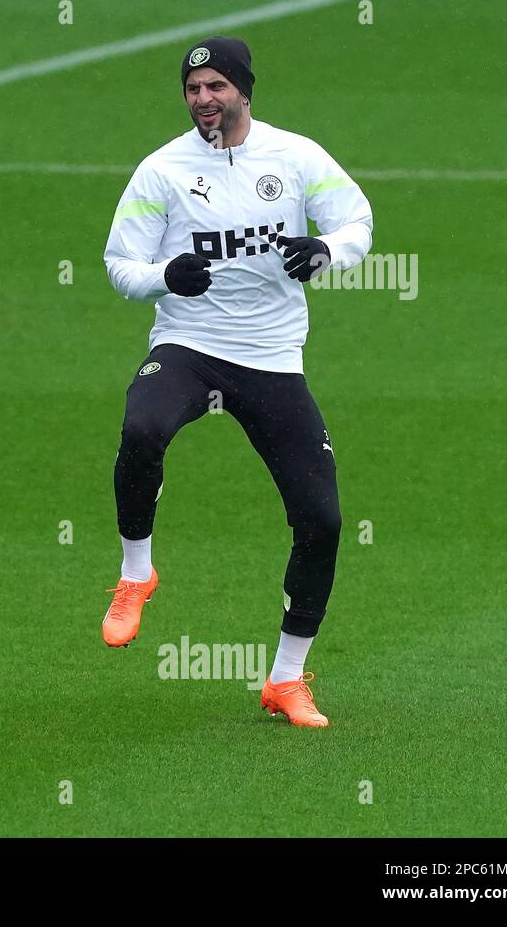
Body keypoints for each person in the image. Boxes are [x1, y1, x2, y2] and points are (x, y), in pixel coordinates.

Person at [102, 37, 372, 727]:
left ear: (244, 90)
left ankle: (286, 680)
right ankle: (136, 574)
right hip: (189, 346)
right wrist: (165, 277)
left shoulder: (296, 157)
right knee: (142, 427)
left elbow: (357, 222)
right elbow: (120, 263)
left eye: (216, 86)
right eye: (193, 89)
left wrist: (326, 250)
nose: (203, 99)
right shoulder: (162, 170)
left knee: (321, 519)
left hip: (271, 356)